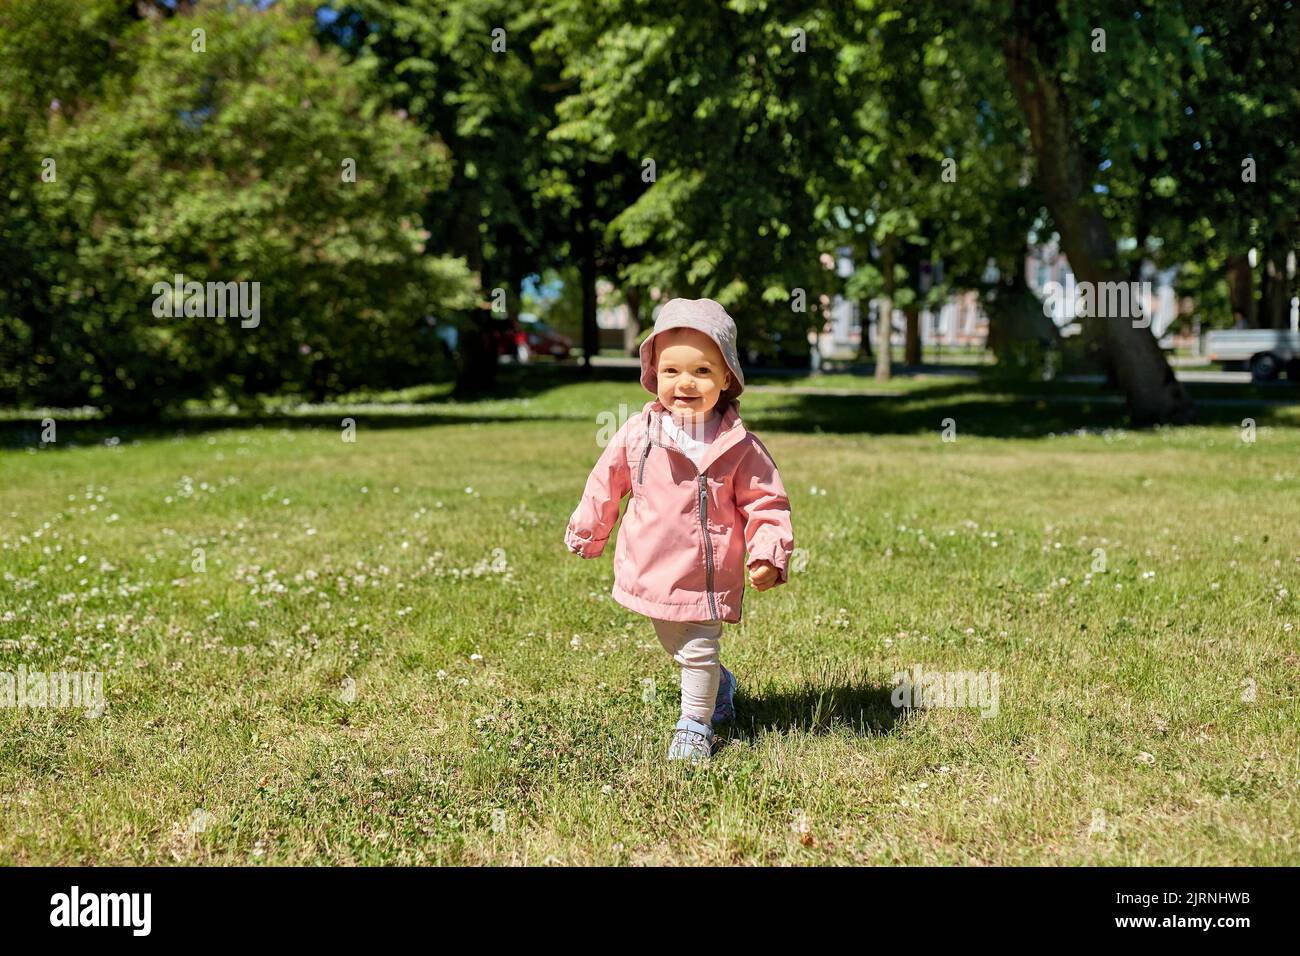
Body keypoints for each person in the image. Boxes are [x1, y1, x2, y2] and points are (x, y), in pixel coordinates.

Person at [564, 298, 795, 762]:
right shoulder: (639, 433)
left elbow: (766, 501)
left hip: (707, 574)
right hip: (653, 567)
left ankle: (694, 725)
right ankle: (720, 683)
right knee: (674, 640)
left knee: (696, 647)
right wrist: (590, 529)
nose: (684, 383)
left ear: (727, 377)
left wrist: (769, 552)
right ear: (654, 374)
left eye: (701, 372)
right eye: (671, 371)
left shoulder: (738, 446)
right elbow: (607, 482)